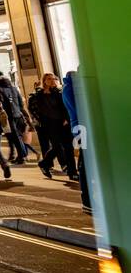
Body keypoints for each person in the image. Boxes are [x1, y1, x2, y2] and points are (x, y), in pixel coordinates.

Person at [30, 72, 75, 180]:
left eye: (53, 78)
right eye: (49, 79)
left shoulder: (58, 92)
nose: (52, 81)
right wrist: (39, 121)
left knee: (68, 147)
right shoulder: (38, 95)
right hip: (49, 124)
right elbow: (33, 110)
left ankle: (72, 172)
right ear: (44, 81)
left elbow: (64, 107)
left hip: (62, 123)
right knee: (57, 147)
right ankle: (45, 164)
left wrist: (66, 118)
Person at [62, 71, 91, 213]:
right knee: (84, 162)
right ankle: (87, 200)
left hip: (81, 126)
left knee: (86, 161)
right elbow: (75, 109)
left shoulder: (74, 87)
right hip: (81, 128)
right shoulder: (70, 88)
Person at [0, 71, 30, 164]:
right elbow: (21, 103)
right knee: (17, 136)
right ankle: (21, 155)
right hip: (18, 114)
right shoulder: (14, 88)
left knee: (14, 136)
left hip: (7, 116)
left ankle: (21, 156)